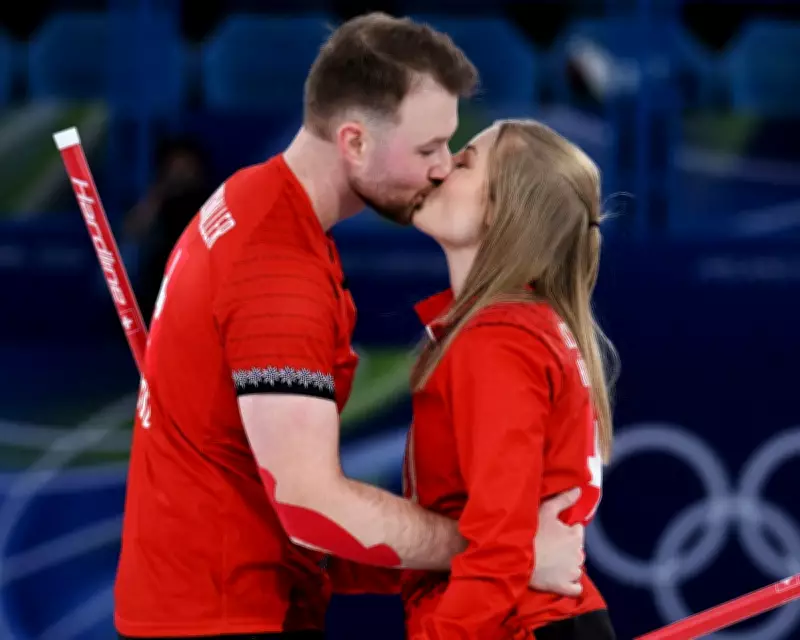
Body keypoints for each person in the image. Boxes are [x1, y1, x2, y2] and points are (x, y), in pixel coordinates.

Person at [114, 13, 587, 640]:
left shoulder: (258, 201)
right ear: (356, 142)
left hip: (218, 600)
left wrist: (489, 554)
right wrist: (507, 550)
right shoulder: (278, 270)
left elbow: (298, 512)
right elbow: (312, 507)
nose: (442, 167)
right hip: (226, 614)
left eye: (450, 147)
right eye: (427, 150)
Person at [400, 119, 619, 639]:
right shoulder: (517, 328)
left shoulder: (498, 339)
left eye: (463, 163)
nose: (438, 167)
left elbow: (498, 548)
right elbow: (473, 535)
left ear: (501, 212)